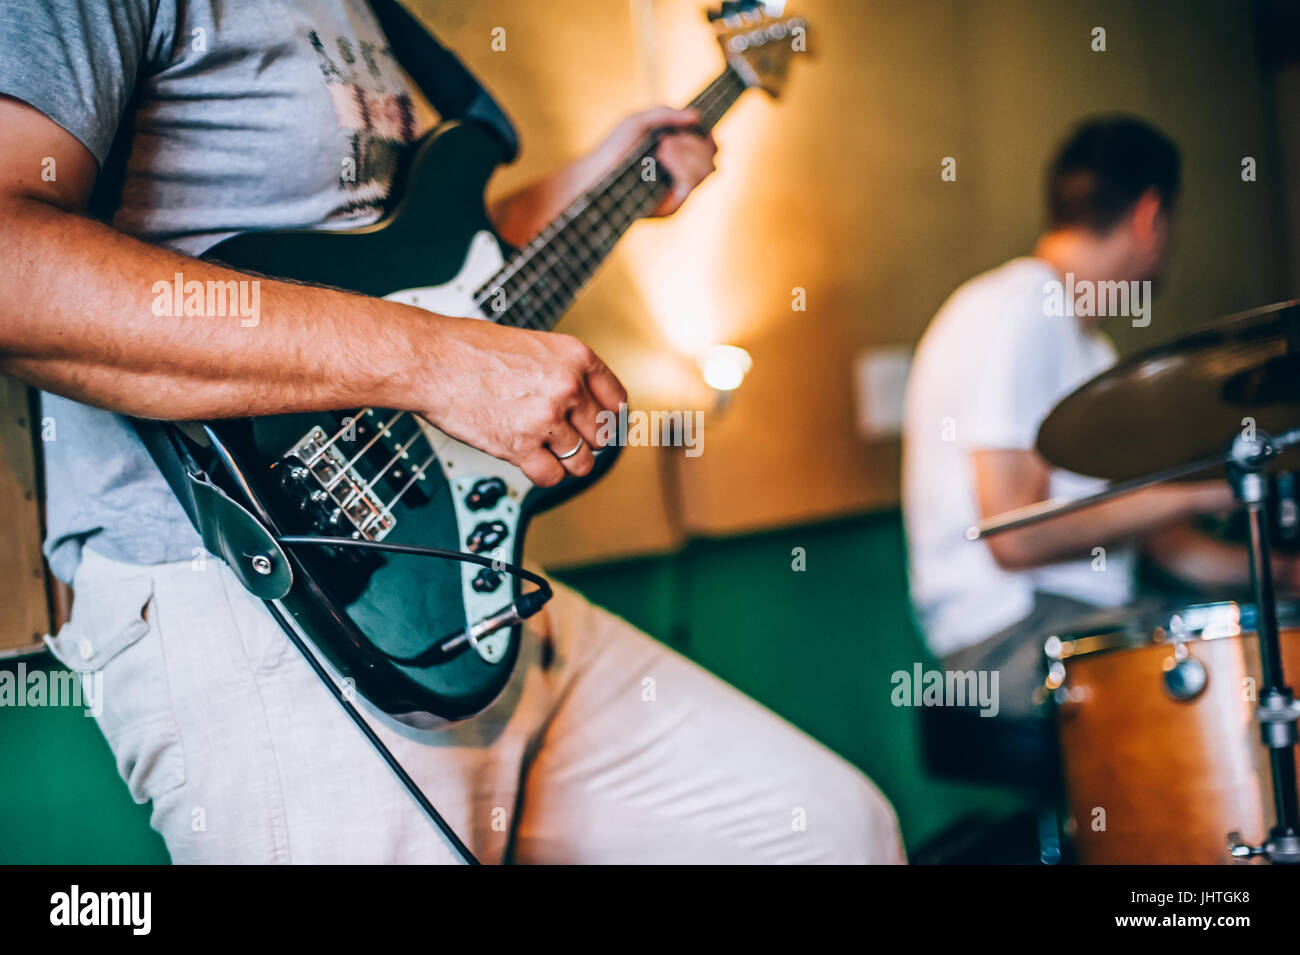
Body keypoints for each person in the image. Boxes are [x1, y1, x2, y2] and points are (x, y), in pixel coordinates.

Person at [0, 0, 903, 864]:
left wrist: (599, 182)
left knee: (829, 833)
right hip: (249, 587)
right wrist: (436, 362)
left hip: (459, 582)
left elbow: (430, 271)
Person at [902, 116, 1294, 777]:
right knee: (1240, 683)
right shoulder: (1023, 307)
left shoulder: (1089, 348)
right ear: (1149, 214)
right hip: (1008, 636)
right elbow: (1013, 536)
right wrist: (1207, 488)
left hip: (1082, 611)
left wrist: (1281, 574)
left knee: (1265, 635)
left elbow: (1160, 539)